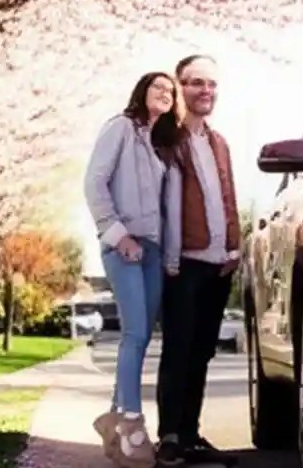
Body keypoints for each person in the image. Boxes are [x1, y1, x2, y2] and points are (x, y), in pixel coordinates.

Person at [86, 71, 184, 467]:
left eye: (170, 90)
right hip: (124, 245)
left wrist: (168, 256)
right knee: (136, 332)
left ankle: (113, 418)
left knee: (143, 337)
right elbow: (94, 182)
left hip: (153, 250)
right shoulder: (121, 128)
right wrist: (117, 234)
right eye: (157, 86)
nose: (164, 93)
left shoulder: (159, 145)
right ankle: (130, 420)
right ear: (142, 91)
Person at [155, 54, 241, 467]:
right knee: (179, 348)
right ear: (179, 86)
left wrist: (235, 246)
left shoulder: (219, 141)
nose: (205, 91)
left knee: (202, 351)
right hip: (180, 262)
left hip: (217, 263)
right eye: (195, 83)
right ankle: (170, 436)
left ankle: (190, 434)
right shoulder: (165, 139)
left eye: (211, 84)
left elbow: (228, 196)